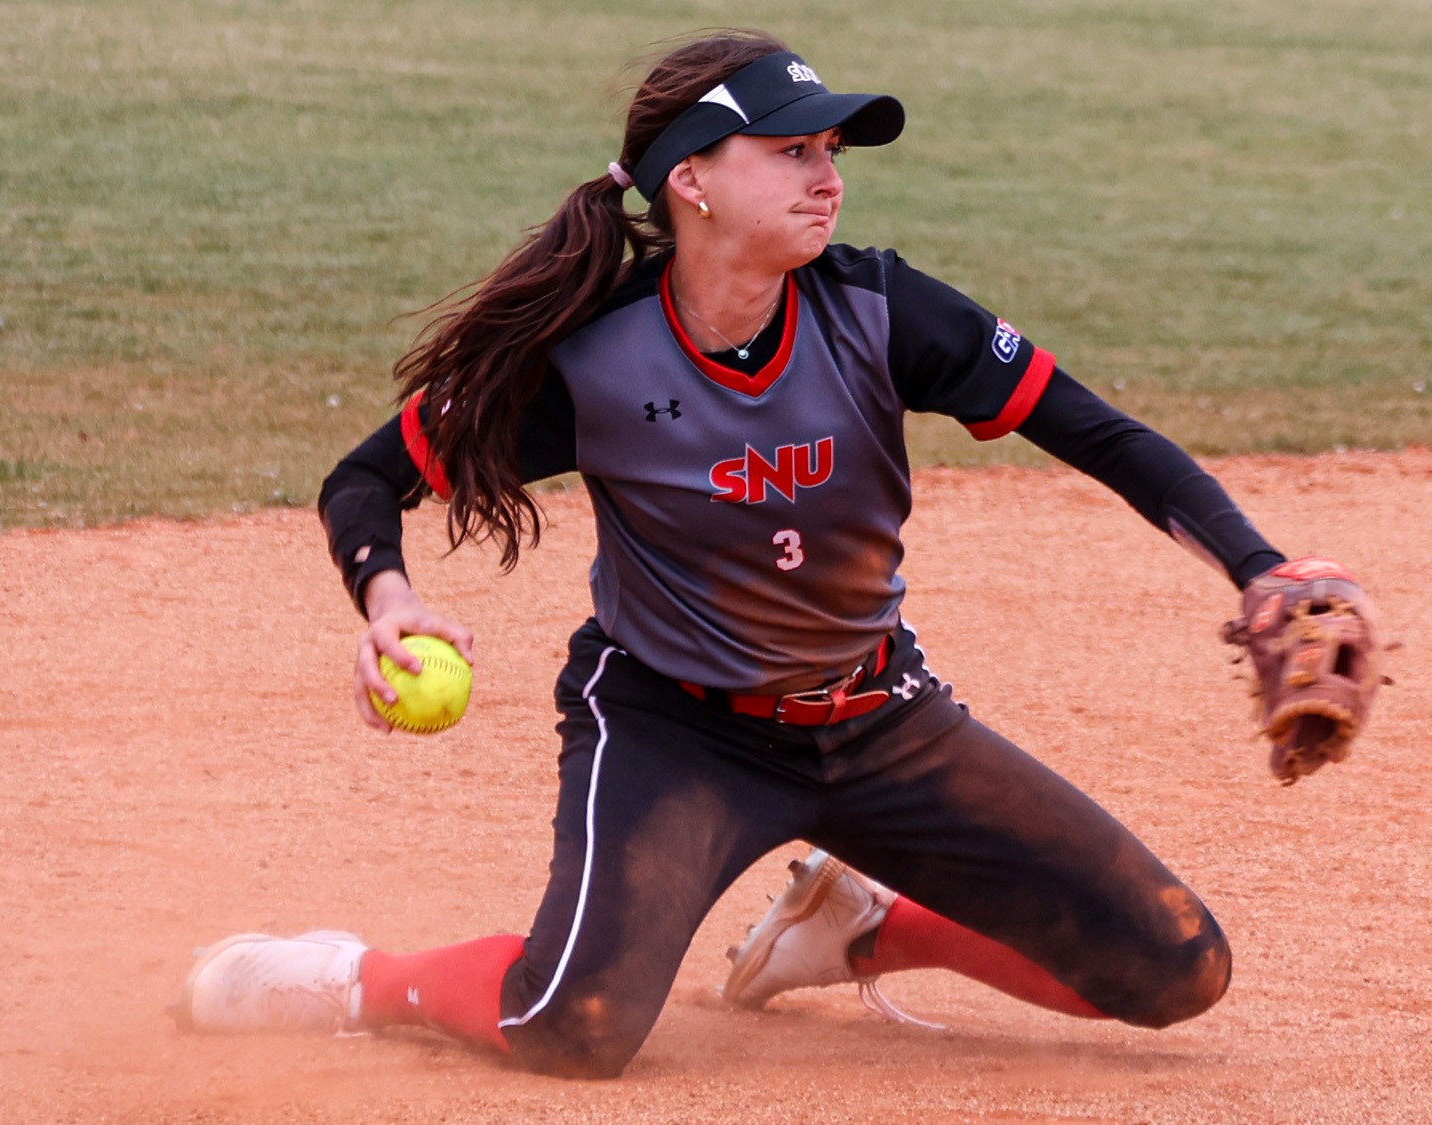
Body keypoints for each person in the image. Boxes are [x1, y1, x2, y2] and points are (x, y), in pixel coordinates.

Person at [173, 30, 1295, 1079]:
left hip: (879, 715)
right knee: (574, 1025)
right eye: (792, 150)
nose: (828, 177)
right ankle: (344, 978)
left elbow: (1104, 436)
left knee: (1173, 967)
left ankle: (860, 927)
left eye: (831, 151)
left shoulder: (879, 310)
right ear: (692, 180)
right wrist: (389, 599)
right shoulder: (592, 359)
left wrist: (1261, 570)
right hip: (675, 729)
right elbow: (367, 478)